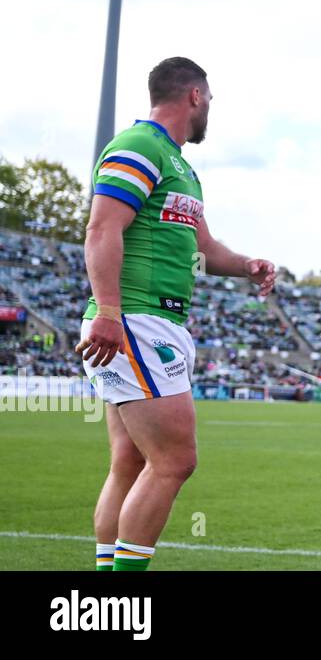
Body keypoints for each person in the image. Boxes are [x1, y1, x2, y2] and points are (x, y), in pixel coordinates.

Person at [76, 57, 277, 571]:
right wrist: (110, 313)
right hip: (136, 321)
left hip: (149, 322)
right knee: (175, 461)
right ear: (194, 96)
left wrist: (246, 265)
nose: (210, 109)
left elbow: (203, 246)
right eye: (209, 99)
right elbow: (102, 229)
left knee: (130, 462)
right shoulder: (138, 145)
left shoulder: (179, 165)